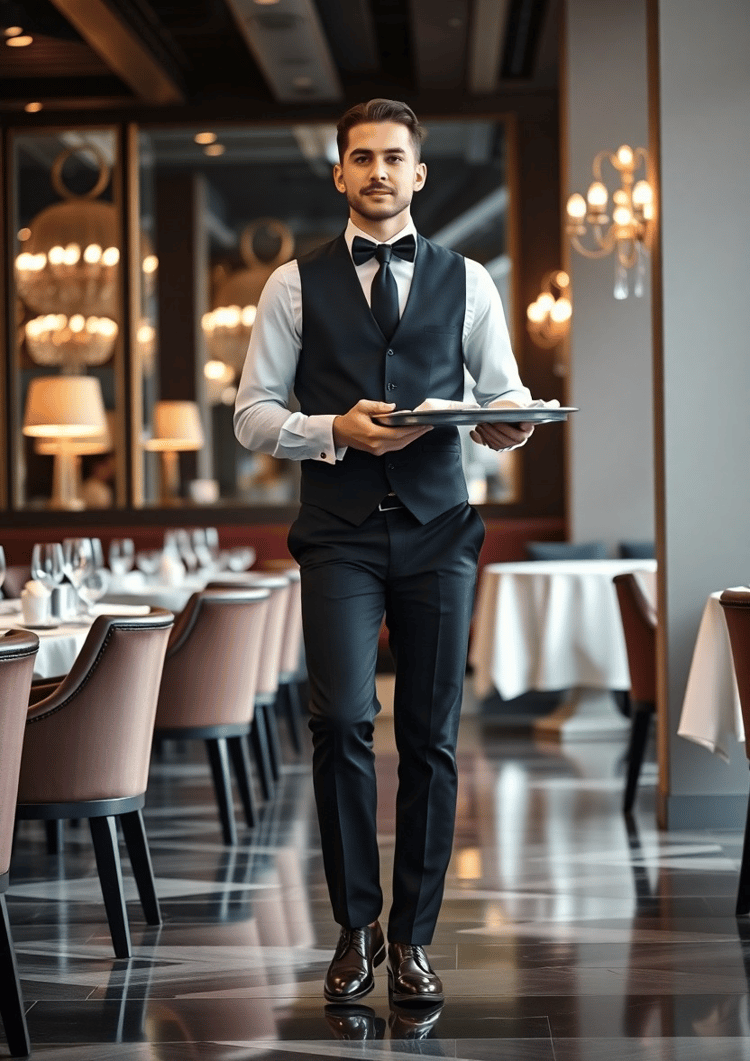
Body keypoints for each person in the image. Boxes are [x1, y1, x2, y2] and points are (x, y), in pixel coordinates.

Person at [234, 98, 537, 1006]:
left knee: (433, 738)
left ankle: (412, 938)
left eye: (393, 157)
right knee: (340, 723)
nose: (377, 171)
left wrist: (508, 428)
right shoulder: (290, 285)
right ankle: (353, 926)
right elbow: (252, 416)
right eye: (360, 156)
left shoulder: (470, 280)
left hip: (443, 530)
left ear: (418, 174)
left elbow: (505, 395)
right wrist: (334, 429)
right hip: (338, 538)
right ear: (339, 173)